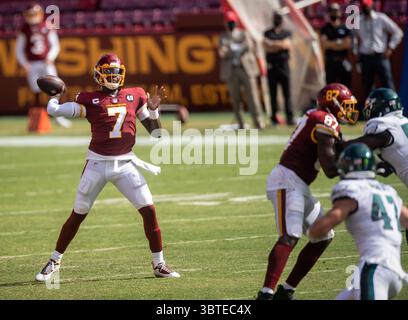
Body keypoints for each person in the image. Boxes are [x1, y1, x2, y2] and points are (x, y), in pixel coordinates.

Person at [35, 53, 180, 282]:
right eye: (108, 72)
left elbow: (157, 132)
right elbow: (55, 111)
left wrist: (153, 110)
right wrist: (55, 96)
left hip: (126, 164)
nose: (112, 77)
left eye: (116, 73)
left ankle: (158, 263)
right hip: (97, 164)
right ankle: (54, 260)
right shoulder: (89, 99)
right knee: (78, 214)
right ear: (98, 75)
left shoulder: (136, 95)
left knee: (149, 210)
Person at [257, 83, 359, 300]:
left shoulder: (320, 117)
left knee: (323, 236)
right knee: (290, 235)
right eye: (345, 104)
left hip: (298, 184)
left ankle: (287, 290)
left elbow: (341, 146)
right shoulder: (324, 119)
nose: (348, 109)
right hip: (287, 181)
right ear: (333, 102)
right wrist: (357, 166)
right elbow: (330, 169)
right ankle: (266, 294)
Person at [309, 143, 408, 300]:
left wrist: (313, 229)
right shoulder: (388, 191)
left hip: (375, 269)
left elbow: (329, 221)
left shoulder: (351, 189)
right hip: (395, 273)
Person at [338, 88, 408, 245]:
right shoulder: (403, 123)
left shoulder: (385, 128)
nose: (369, 110)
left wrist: (338, 141)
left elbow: (357, 148)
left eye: (372, 106)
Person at [15, 3, 71, 129]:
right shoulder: (24, 29)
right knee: (36, 91)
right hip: (32, 63)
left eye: (34, 14)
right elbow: (19, 49)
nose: (32, 17)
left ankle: (58, 116)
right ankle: (38, 118)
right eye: (30, 14)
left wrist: (50, 57)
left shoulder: (46, 25)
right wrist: (25, 64)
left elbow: (55, 45)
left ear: (40, 13)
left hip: (46, 62)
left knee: (55, 88)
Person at [219, 11, 264, 129]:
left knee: (253, 97)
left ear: (236, 22)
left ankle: (258, 122)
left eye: (232, 22)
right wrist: (236, 48)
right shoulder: (223, 37)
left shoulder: (244, 34)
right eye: (229, 22)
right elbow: (222, 52)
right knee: (235, 98)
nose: (231, 24)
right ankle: (240, 123)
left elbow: (248, 46)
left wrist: (231, 48)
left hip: (246, 68)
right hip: (232, 70)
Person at [354, 0, 404, 101]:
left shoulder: (381, 18)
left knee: (388, 85)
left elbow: (398, 32)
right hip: (365, 57)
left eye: (367, 6)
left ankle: (395, 108)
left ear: (372, 5)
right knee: (367, 87)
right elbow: (353, 37)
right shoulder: (358, 20)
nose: (366, 8)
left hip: (380, 56)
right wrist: (356, 51)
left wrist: (390, 47)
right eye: (364, 6)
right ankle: (370, 112)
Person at [263, 12, 294, 126]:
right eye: (276, 18)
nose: (277, 20)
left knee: (287, 94)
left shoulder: (287, 32)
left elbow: (287, 45)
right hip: (272, 66)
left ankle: (289, 118)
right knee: (273, 94)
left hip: (284, 66)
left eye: (279, 18)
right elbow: (267, 47)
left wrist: (273, 44)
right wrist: (279, 45)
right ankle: (273, 119)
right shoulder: (267, 32)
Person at [320, 3, 352, 87]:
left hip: (343, 61)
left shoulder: (345, 27)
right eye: (332, 11)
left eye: (336, 11)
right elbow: (324, 44)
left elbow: (347, 44)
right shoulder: (325, 28)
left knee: (346, 87)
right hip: (330, 62)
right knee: (330, 88)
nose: (334, 13)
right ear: (329, 13)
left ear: (340, 12)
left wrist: (331, 43)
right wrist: (339, 42)